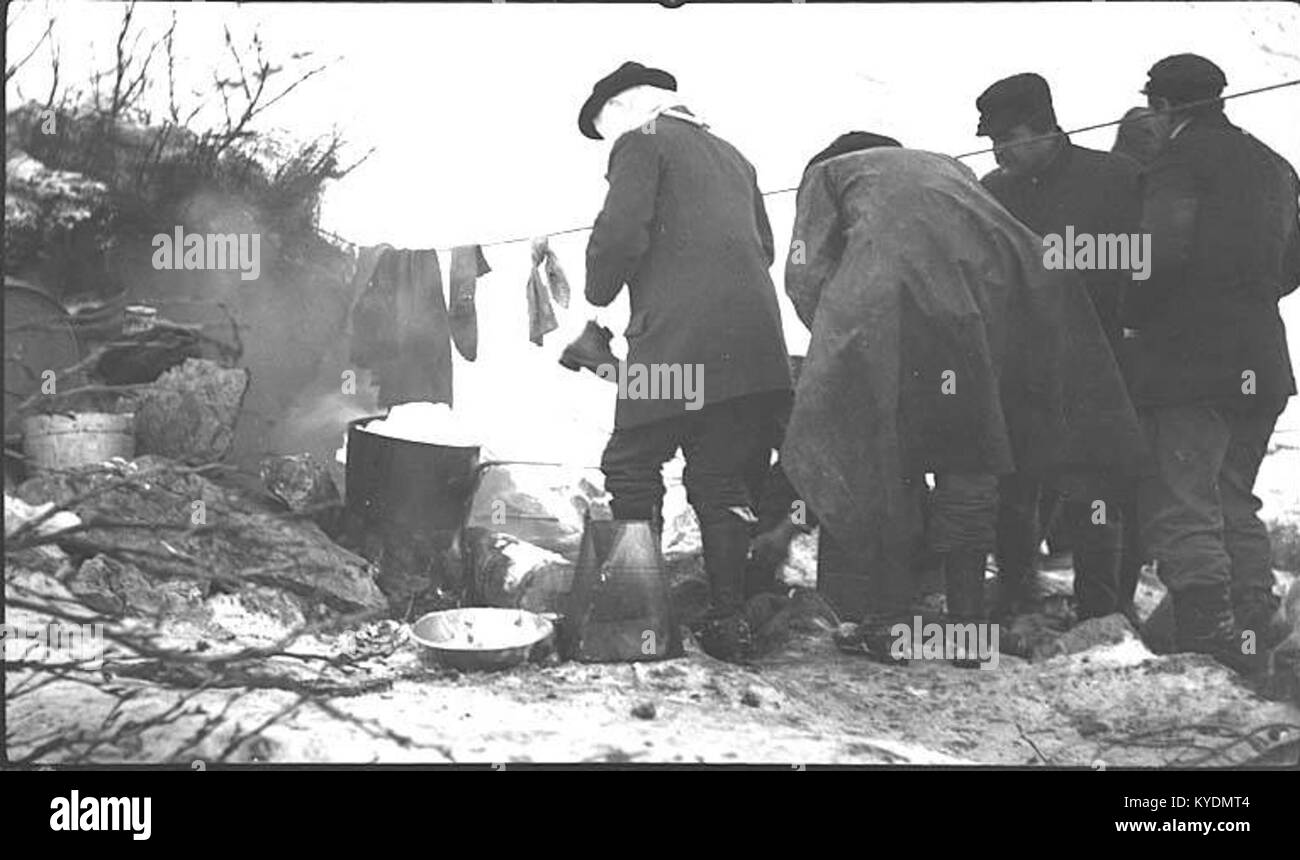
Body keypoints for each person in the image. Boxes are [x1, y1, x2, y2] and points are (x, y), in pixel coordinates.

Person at [781, 132, 1146, 663]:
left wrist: (835, 343)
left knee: (885, 466)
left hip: (888, 310)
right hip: (992, 310)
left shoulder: (829, 173)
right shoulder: (948, 169)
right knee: (969, 468)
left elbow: (803, 269)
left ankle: (886, 618)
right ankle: (968, 629)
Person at [578, 61, 792, 663]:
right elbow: (766, 248)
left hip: (678, 338)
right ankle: (729, 620)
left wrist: (598, 292)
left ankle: (638, 612)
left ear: (620, 110)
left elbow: (621, 235)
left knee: (631, 463)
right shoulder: (733, 155)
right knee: (722, 478)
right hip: (751, 347)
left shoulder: (640, 143)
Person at [1124, 54, 1300, 671]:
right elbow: (1290, 267)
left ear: (1164, 107)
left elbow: (1158, 253)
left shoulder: (1177, 159)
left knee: (1184, 495)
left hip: (1191, 361)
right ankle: (1253, 619)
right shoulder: (1276, 165)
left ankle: (1205, 630)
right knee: (1231, 493)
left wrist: (1134, 314)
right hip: (1263, 358)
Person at [975, 73, 1144, 624]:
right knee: (1013, 490)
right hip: (1018, 367)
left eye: (1008, 136)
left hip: (1098, 368)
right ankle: (1013, 598)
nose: (998, 150)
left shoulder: (1116, 178)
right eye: (992, 140)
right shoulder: (992, 191)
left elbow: (1142, 268)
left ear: (1043, 126)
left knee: (1095, 494)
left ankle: (1102, 612)